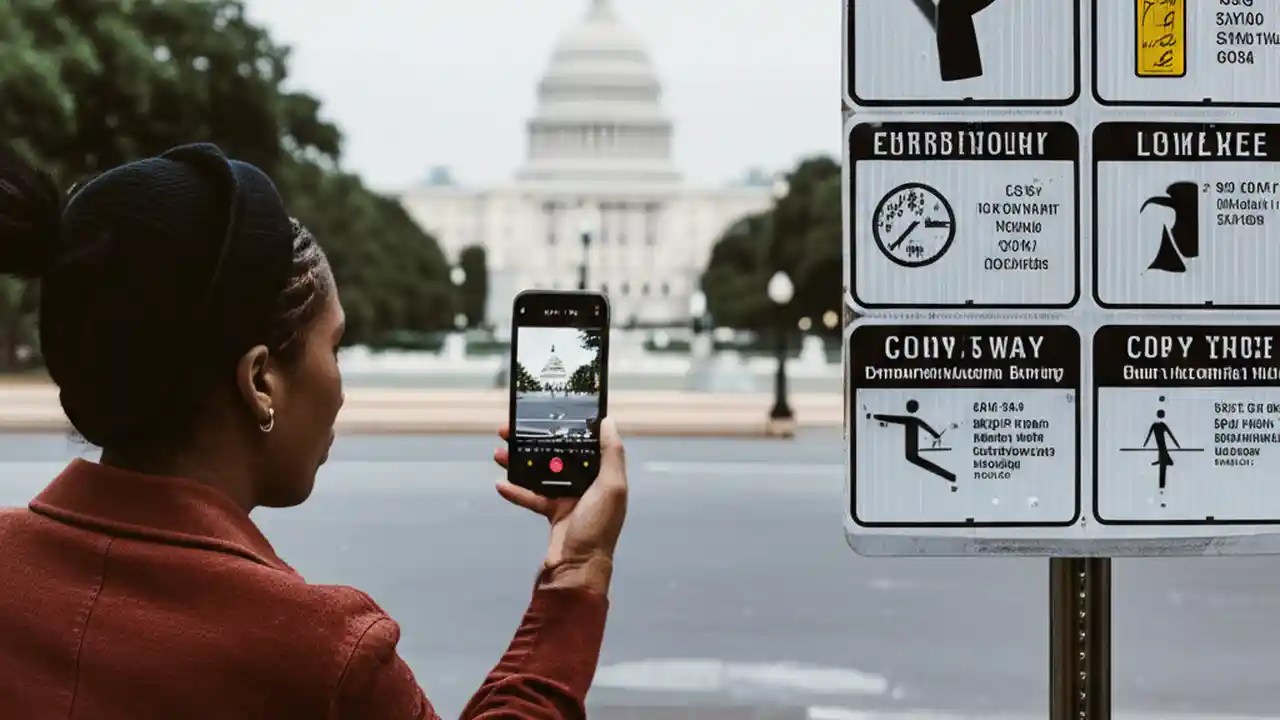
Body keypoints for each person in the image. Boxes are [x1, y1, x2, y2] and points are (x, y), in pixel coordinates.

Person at [0, 144, 628, 718]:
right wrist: (577, 571)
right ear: (261, 382)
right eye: (335, 347)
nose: (342, 388)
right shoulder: (319, 654)